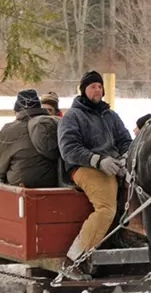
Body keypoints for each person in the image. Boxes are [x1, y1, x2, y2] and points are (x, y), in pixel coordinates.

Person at [57, 70, 133, 280]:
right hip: (84, 167)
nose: (97, 90)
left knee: (142, 189)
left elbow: (125, 140)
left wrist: (125, 158)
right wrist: (97, 160)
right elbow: (68, 149)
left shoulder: (111, 115)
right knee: (106, 208)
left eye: (100, 86)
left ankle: (125, 237)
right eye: (92, 87)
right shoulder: (73, 116)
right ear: (83, 90)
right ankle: (73, 259)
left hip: (113, 164)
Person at [0, 89, 60, 188]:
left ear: (17, 111)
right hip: (55, 183)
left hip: (21, 186)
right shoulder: (57, 123)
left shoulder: (9, 130)